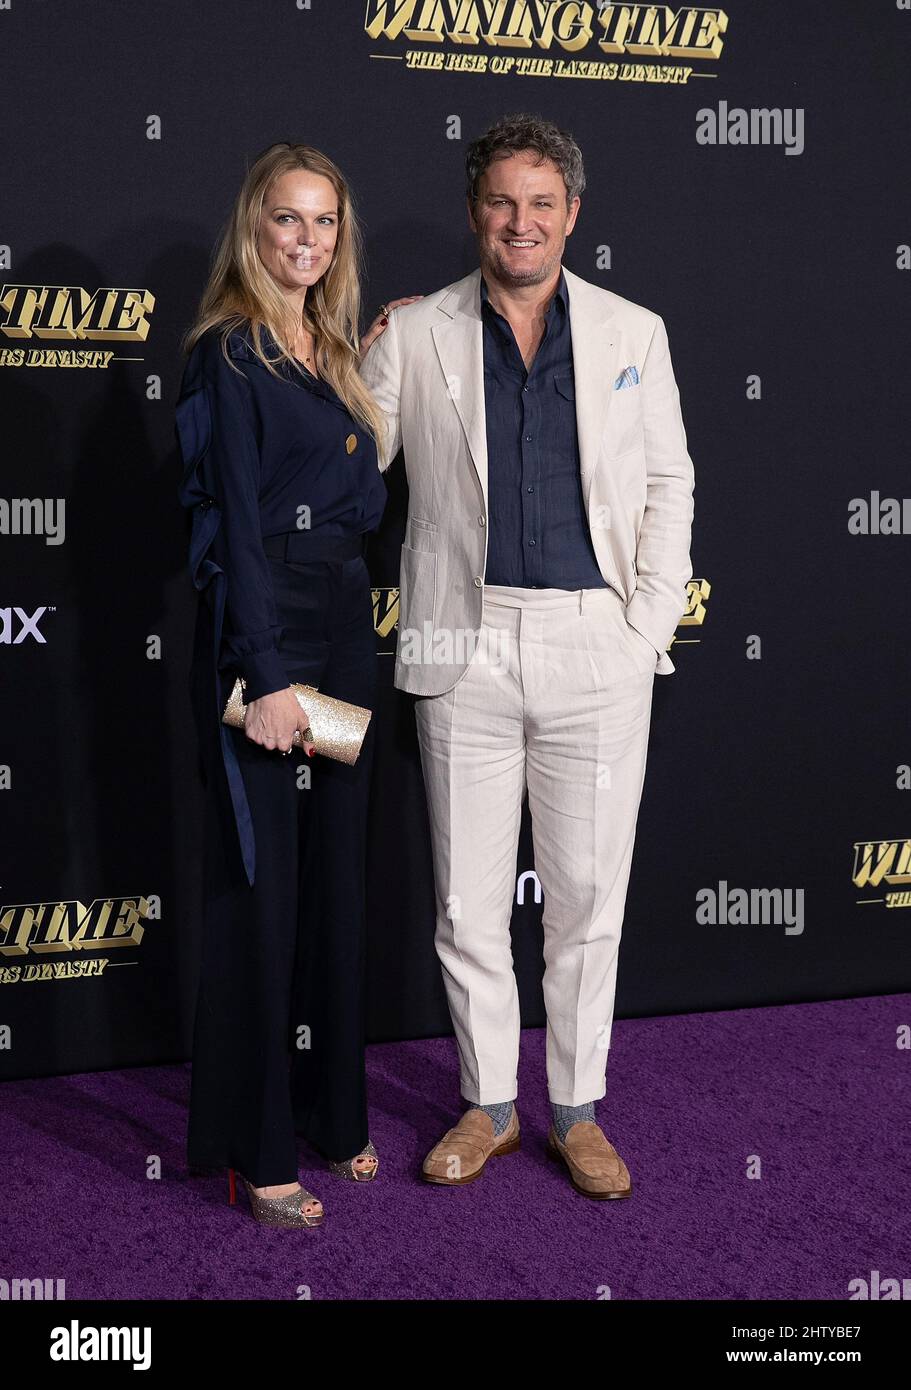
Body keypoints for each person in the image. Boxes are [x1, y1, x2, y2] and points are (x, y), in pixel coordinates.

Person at [360, 113, 695, 1200]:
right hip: (460, 639)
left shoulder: (633, 331)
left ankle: (578, 1110)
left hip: (595, 639)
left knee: (586, 899)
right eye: (502, 201)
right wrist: (353, 354)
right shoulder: (417, 331)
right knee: (466, 902)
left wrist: (644, 627)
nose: (521, 221)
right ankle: (489, 1105)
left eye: (541, 203)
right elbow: (350, 461)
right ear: (474, 211)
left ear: (572, 215)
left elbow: (668, 483)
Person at [175, 141, 417, 1227]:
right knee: (261, 888)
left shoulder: (330, 351)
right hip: (265, 630)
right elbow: (229, 522)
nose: (306, 239)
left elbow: (352, 484)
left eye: (324, 221)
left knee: (335, 882)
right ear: (253, 226)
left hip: (345, 628)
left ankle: (332, 1113)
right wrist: (263, 674)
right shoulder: (228, 354)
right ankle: (256, 1144)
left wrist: (374, 351)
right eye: (287, 218)